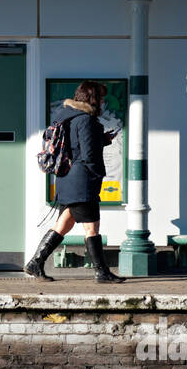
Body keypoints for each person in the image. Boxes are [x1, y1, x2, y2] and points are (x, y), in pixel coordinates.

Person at [25, 80, 125, 283]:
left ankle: (35, 262)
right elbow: (88, 155)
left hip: (67, 179)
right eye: (101, 98)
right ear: (93, 98)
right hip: (82, 182)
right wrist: (97, 174)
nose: (103, 102)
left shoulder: (66, 116)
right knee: (91, 228)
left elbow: (76, 145)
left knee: (64, 223)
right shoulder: (85, 120)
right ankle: (101, 272)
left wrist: (101, 139)